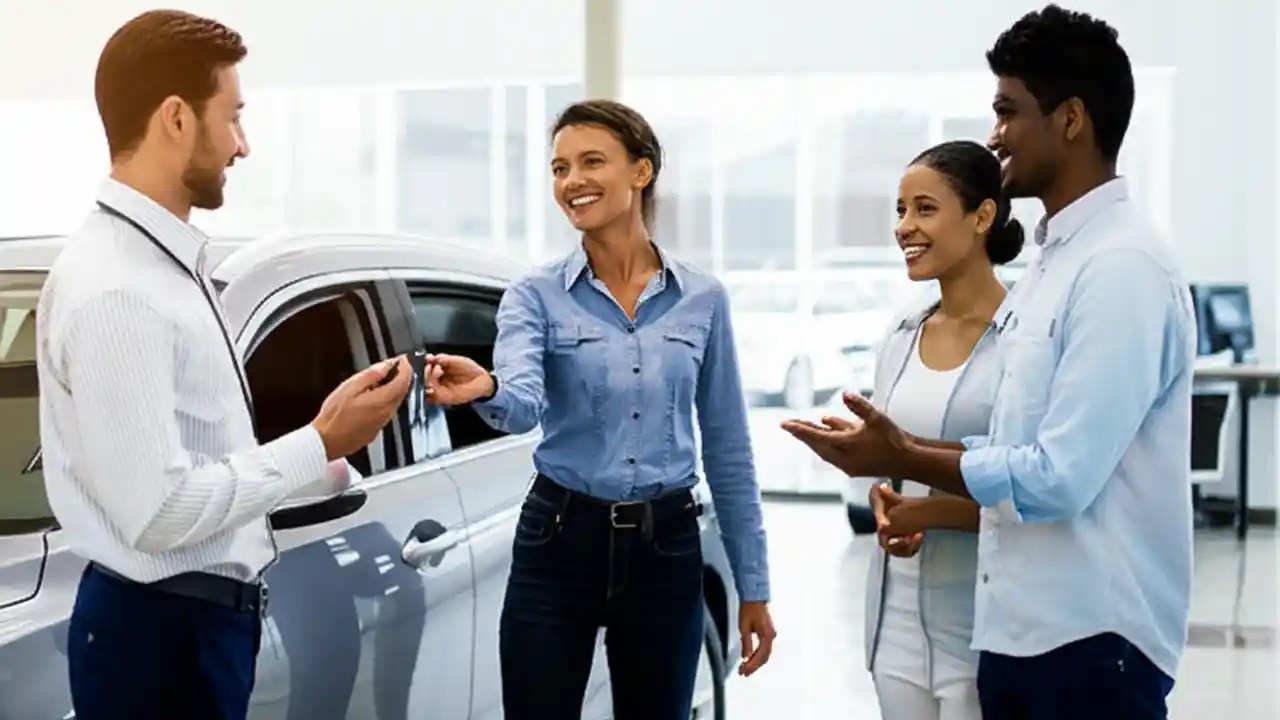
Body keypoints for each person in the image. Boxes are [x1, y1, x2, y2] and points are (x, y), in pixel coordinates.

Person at [783, 5, 1194, 719]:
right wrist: (896, 452)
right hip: (1017, 637)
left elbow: (1060, 476)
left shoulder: (1122, 267)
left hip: (1093, 645)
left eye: (1008, 112)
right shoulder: (1054, 265)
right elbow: (1013, 446)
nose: (995, 134)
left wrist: (905, 454)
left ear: (1071, 119)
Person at [35, 11, 412, 720]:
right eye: (233, 116)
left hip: (182, 630)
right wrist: (319, 440)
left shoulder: (157, 266)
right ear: (177, 118)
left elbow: (193, 461)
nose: (243, 145)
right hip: (161, 638)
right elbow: (158, 511)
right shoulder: (120, 288)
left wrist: (320, 461)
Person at [425, 98, 777, 719]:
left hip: (667, 545)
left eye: (592, 162)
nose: (572, 181)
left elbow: (728, 448)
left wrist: (754, 586)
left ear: (642, 171)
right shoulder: (534, 296)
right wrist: (486, 388)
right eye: (560, 168)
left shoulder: (703, 299)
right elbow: (522, 404)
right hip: (559, 539)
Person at [856, 140, 1023, 720]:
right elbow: (894, 466)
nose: (905, 226)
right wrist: (884, 504)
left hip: (985, 626)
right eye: (900, 210)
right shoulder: (901, 334)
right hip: (895, 625)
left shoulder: (1023, 338)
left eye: (925, 209)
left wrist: (927, 513)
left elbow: (1035, 490)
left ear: (982, 216)